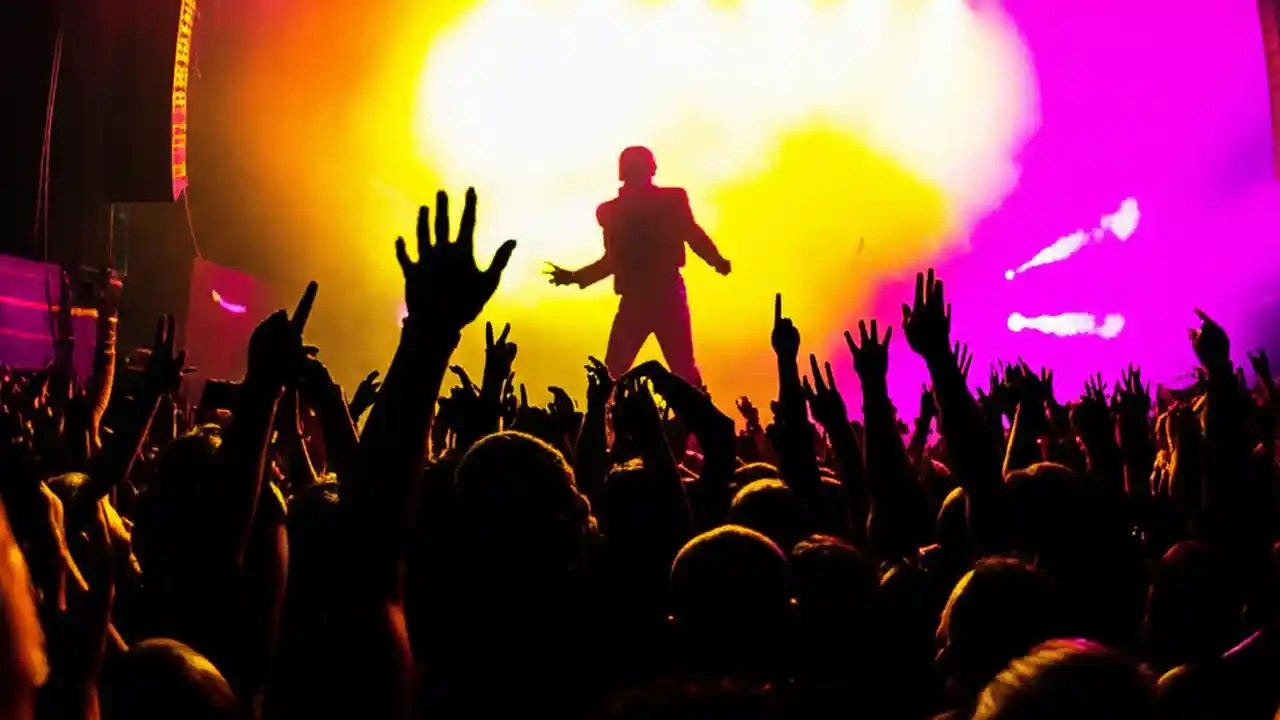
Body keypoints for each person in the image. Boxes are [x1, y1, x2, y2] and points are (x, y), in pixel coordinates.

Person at [545, 146, 732, 387]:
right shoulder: (615, 211)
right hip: (643, 298)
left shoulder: (660, 202)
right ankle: (609, 420)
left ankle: (698, 421)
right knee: (618, 370)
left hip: (664, 294)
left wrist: (715, 259)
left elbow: (690, 234)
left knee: (677, 368)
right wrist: (574, 277)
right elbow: (613, 260)